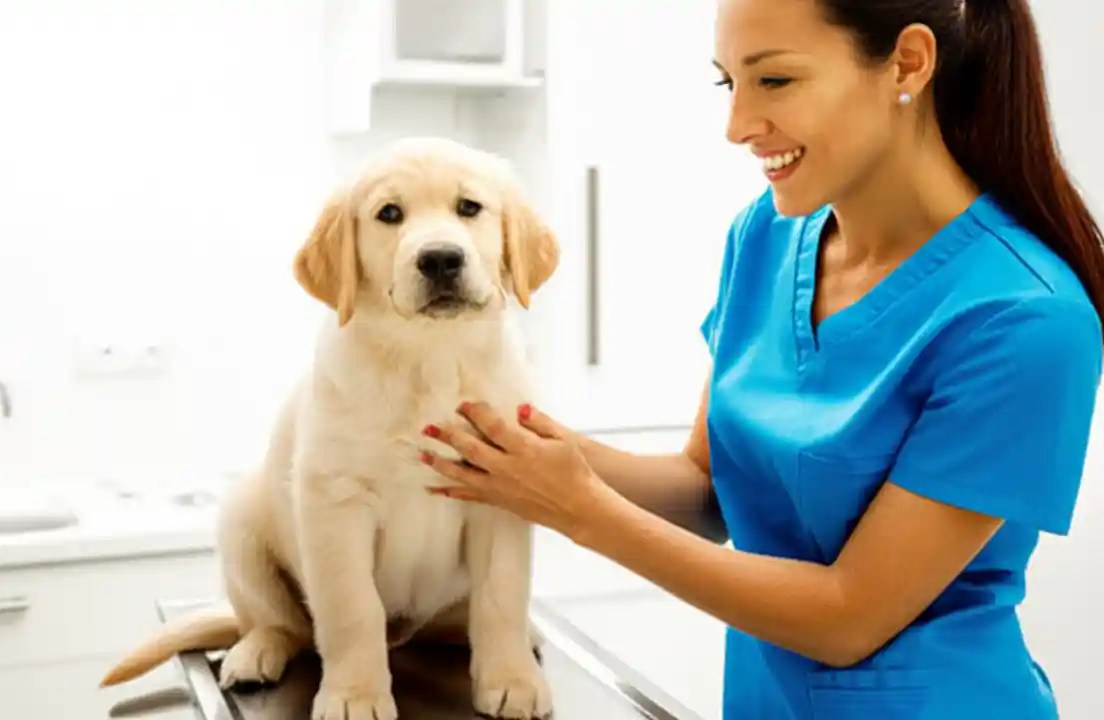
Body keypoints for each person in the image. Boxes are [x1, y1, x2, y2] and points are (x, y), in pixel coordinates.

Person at [418, 0, 1104, 718]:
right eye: (728, 85)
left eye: (774, 81)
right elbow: (706, 489)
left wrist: (579, 508)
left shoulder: (1023, 317)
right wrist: (530, 454)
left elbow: (848, 618)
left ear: (908, 63)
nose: (738, 125)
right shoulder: (768, 238)